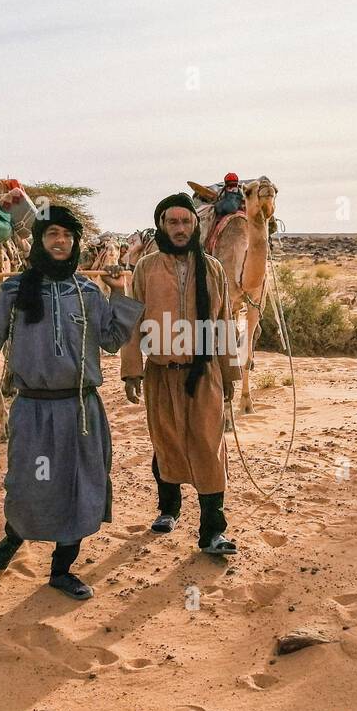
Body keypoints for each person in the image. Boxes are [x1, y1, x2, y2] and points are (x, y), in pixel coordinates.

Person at [0, 205, 142, 600]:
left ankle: (62, 570)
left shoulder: (88, 291)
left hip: (82, 410)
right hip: (33, 411)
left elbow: (111, 340)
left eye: (67, 235)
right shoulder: (15, 289)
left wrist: (119, 294)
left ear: (74, 242)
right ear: (40, 240)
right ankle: (13, 538)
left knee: (80, 487)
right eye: (52, 233)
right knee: (30, 484)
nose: (60, 241)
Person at [121, 192, 241, 555]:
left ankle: (212, 531)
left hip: (204, 374)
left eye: (185, 222)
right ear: (161, 225)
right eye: (172, 222)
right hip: (161, 373)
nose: (179, 228)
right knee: (167, 442)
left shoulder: (214, 268)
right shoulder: (146, 268)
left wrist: (229, 373)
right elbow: (132, 320)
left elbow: (223, 322)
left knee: (209, 447)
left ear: (195, 225)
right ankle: (168, 508)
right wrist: (131, 371)